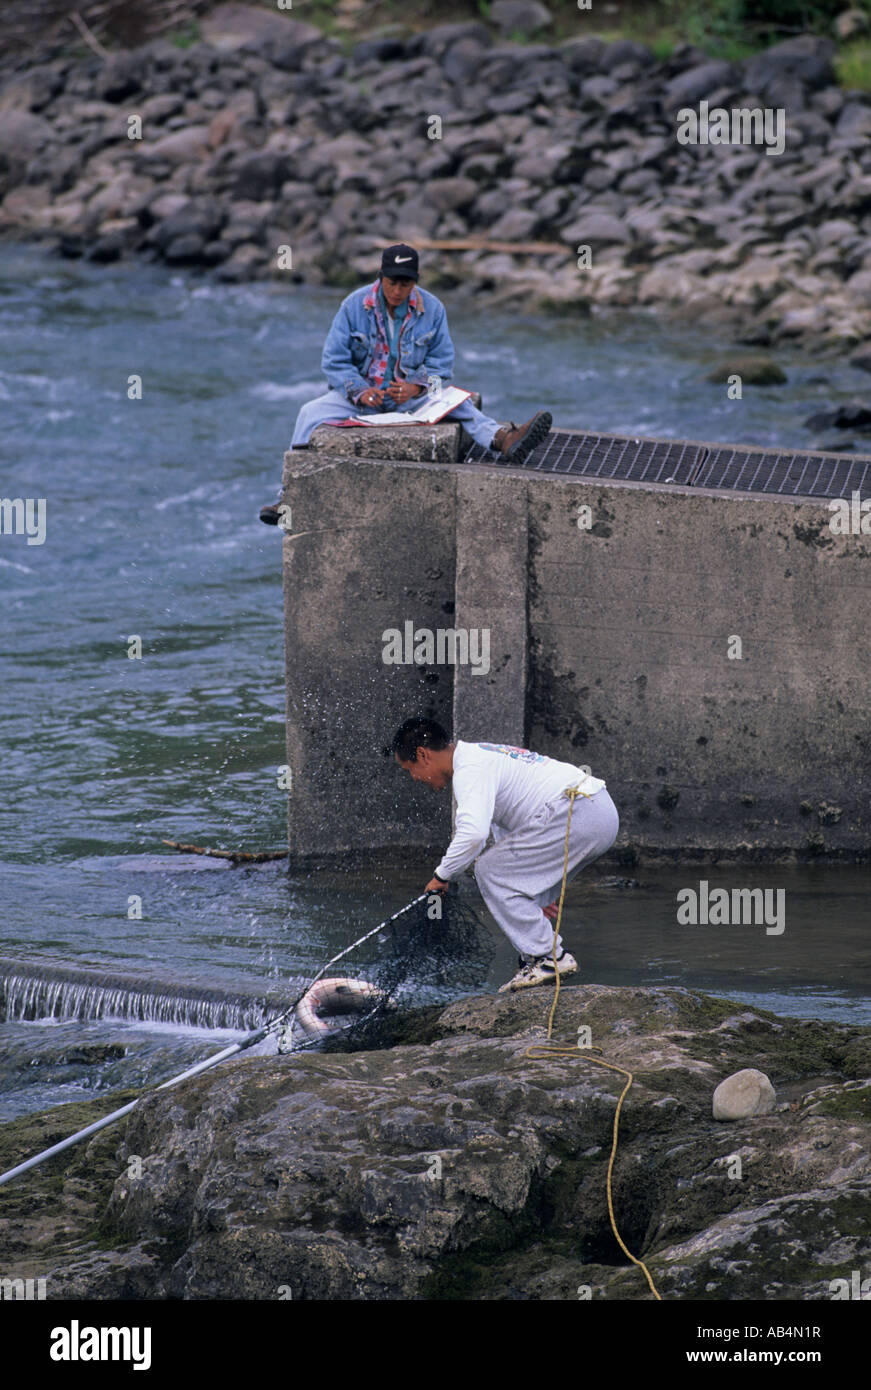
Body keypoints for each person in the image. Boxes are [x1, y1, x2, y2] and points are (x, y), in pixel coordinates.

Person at [259, 243, 553, 524]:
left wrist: (418, 387)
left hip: (411, 397)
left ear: (416, 281)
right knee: (308, 414)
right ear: (380, 277)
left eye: (405, 284)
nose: (398, 291)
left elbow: (443, 367)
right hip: (356, 398)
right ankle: (289, 498)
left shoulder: (434, 309)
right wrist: (360, 390)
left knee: (458, 401)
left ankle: (503, 440)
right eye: (392, 283)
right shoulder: (352, 306)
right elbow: (333, 362)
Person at [392, 717, 619, 993]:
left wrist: (441, 876)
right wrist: (539, 891)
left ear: (422, 755)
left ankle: (551, 959)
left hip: (579, 811)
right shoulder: (481, 755)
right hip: (598, 811)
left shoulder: (470, 769)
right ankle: (537, 961)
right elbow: (509, 837)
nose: (414, 778)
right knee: (503, 872)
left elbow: (473, 836)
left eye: (410, 769)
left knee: (488, 870)